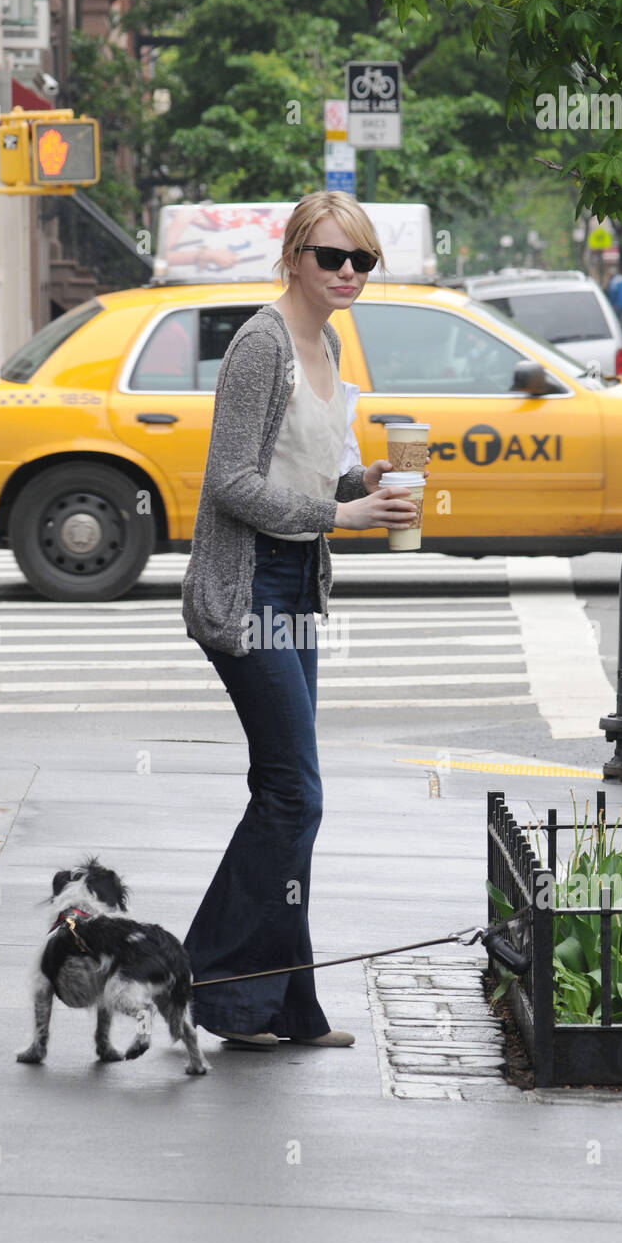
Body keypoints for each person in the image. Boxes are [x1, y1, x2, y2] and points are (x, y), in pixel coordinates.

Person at [180, 191, 422, 1050]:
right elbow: (231, 484)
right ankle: (204, 978)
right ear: (292, 257)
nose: (349, 273)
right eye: (332, 257)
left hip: (295, 591)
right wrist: (341, 517)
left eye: (362, 261)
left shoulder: (325, 342)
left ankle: (277, 1007)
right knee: (295, 795)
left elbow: (317, 474)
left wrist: (367, 484)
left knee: (283, 793)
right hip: (246, 592)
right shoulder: (261, 345)